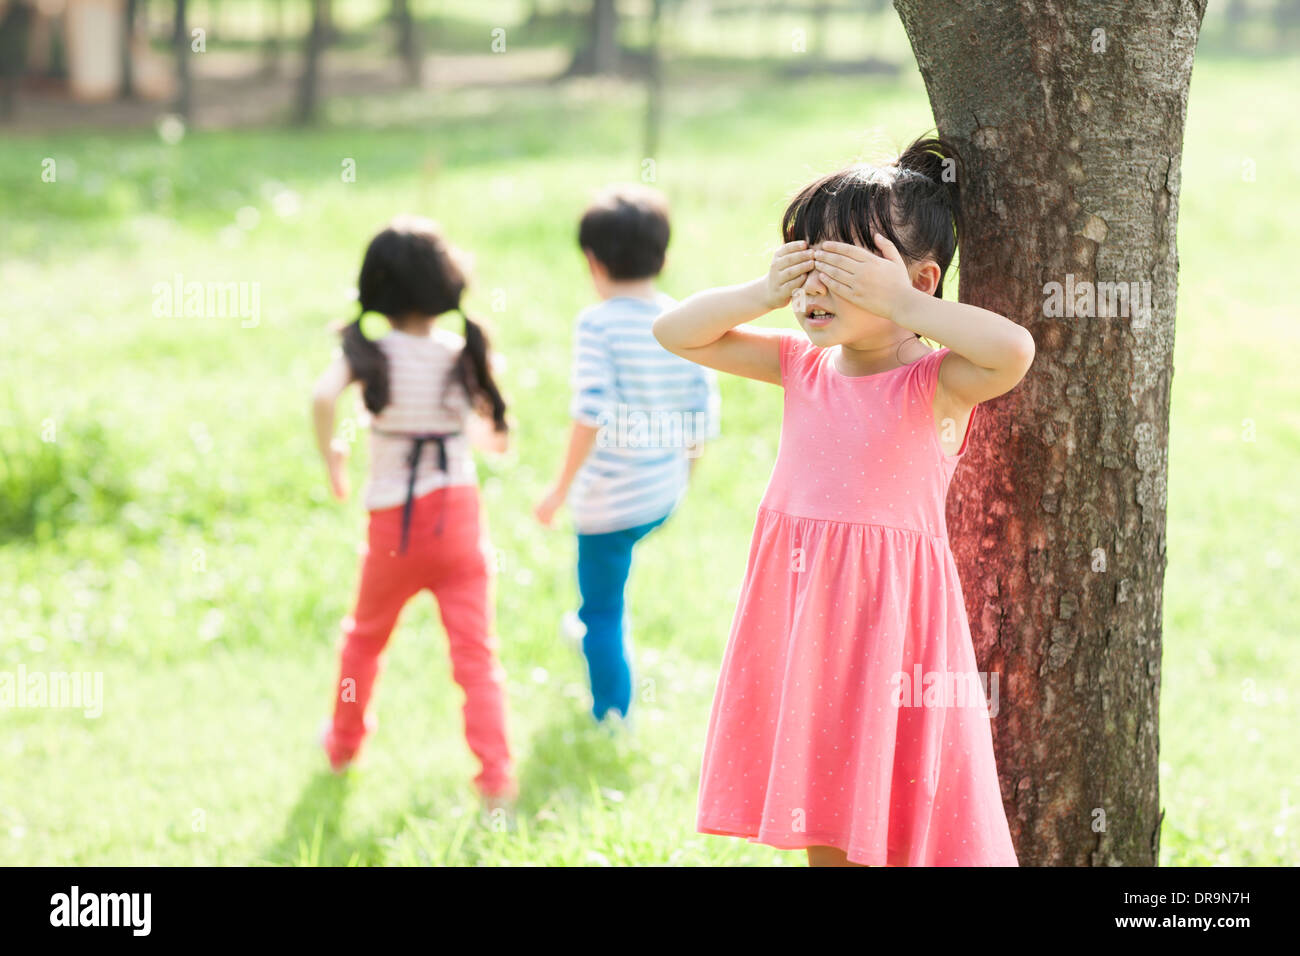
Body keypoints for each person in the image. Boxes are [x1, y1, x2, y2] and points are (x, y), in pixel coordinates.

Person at [654, 137, 1034, 866]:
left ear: (920, 280)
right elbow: (676, 332)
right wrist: (763, 292)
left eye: (847, 269)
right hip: (803, 621)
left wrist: (903, 304)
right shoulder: (800, 365)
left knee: (891, 809)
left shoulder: (937, 383)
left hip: (892, 628)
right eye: (808, 267)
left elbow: (1012, 350)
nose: (817, 290)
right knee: (819, 813)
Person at [311, 216, 515, 804]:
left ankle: (343, 745)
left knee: (364, 640)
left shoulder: (367, 354)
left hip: (393, 529)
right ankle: (495, 773)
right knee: (475, 655)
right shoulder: (461, 351)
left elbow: (323, 396)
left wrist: (332, 457)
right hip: (458, 520)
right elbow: (493, 439)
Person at [535, 185, 719, 724]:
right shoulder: (686, 319)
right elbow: (701, 413)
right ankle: (588, 629)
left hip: (609, 503)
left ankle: (612, 714)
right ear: (663, 256)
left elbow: (590, 413)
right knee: (608, 585)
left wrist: (558, 490)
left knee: (603, 611)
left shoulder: (597, 323)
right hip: (661, 493)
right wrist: (684, 478)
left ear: (591, 261)